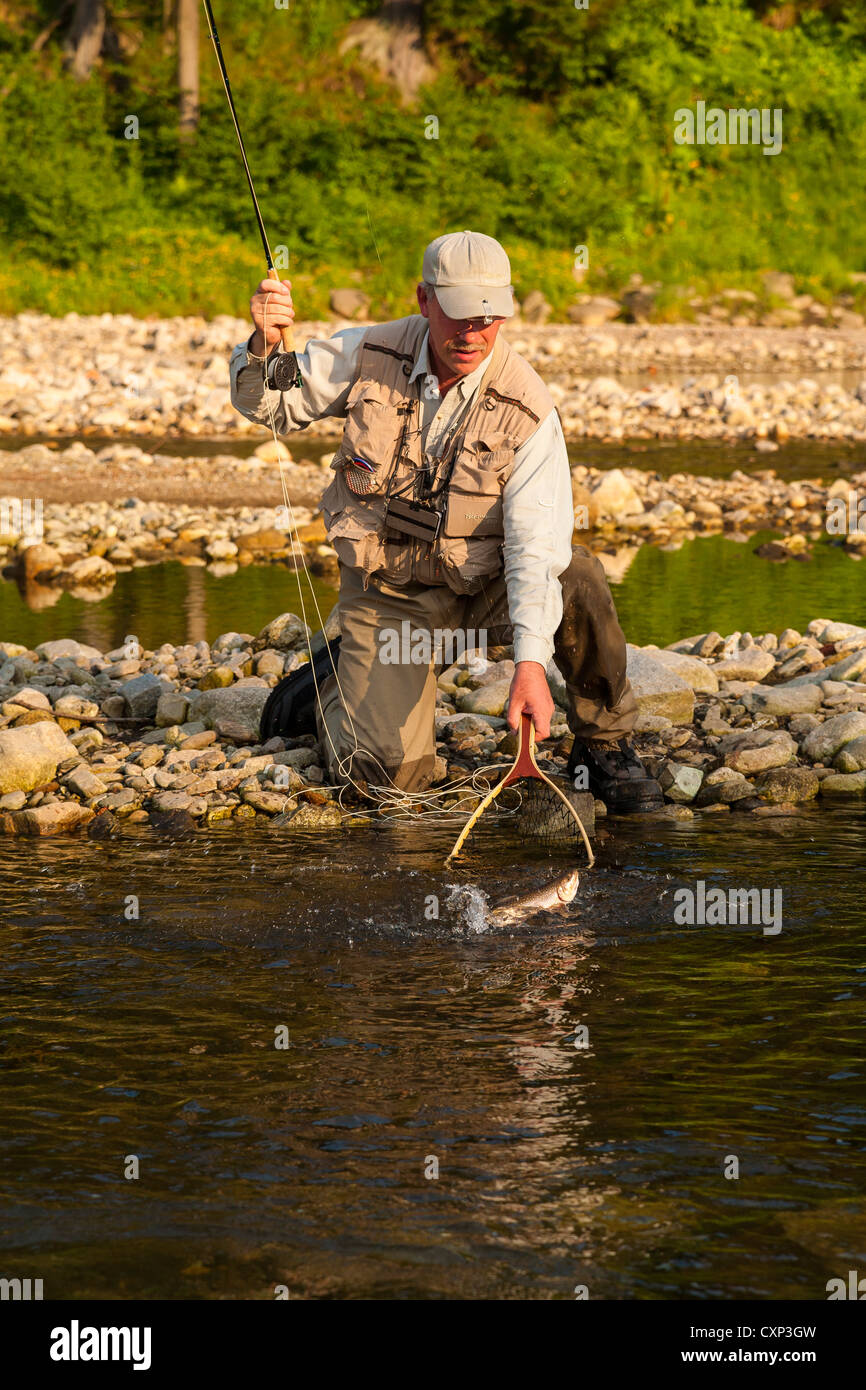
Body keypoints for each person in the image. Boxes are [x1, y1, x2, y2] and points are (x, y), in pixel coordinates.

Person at [230, 230, 662, 811]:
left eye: (489, 318)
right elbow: (269, 405)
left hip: (481, 595)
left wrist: (530, 666)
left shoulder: (528, 405)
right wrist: (263, 347)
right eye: (458, 314)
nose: (472, 334)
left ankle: (604, 742)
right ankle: (330, 684)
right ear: (424, 298)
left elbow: (536, 549)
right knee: (381, 781)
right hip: (391, 599)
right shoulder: (367, 353)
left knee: (576, 576)